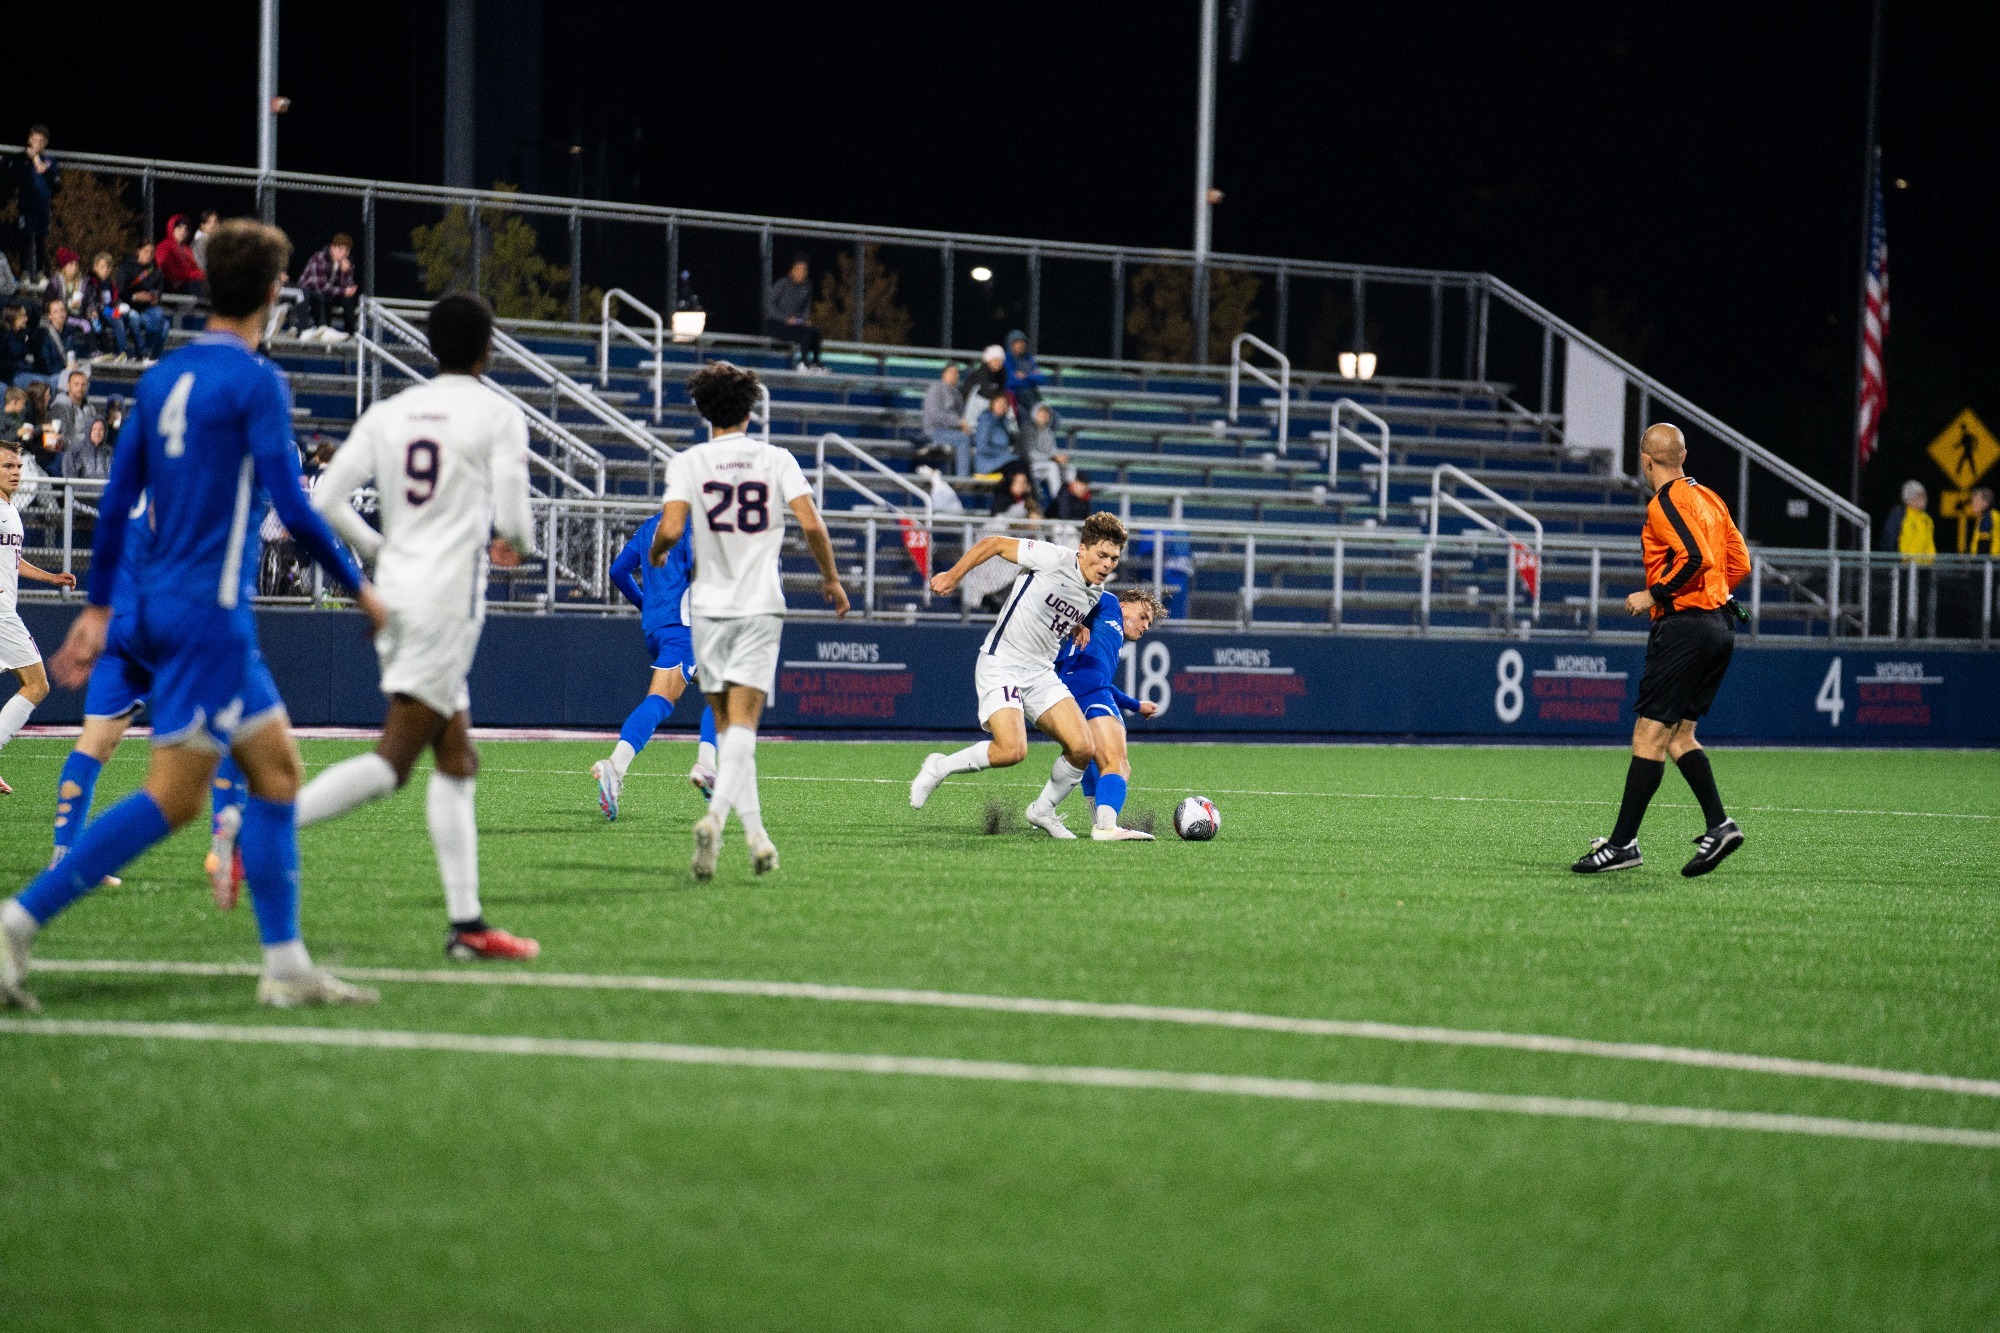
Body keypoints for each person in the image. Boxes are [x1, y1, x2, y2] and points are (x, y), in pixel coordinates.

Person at [0, 218, 389, 1012]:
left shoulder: (159, 377)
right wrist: (362, 589)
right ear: (274, 296)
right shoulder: (254, 382)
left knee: (276, 770)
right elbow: (295, 506)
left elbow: (113, 507)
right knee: (176, 796)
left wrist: (99, 606)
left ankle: (284, 962)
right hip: (207, 618)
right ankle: (16, 922)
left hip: (158, 607)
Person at [297, 292, 540, 962]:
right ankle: (258, 829)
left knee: (457, 759)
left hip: (398, 591)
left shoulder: (391, 410)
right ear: (487, 348)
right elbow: (516, 523)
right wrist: (515, 543)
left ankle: (467, 926)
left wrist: (378, 551)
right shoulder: (496, 412)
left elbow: (323, 500)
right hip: (445, 602)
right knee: (395, 762)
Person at [649, 361, 849, 881]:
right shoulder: (775, 458)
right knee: (743, 727)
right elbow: (811, 523)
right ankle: (715, 820)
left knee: (728, 726)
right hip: (760, 604)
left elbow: (670, 529)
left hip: (708, 608)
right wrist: (830, 579)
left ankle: (758, 839)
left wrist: (656, 553)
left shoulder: (689, 461)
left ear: (702, 410)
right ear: (751, 409)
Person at [42, 484, 250, 897]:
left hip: (116, 624)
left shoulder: (131, 481)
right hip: (162, 621)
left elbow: (110, 540)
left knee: (94, 744)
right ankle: (222, 850)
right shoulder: (177, 473)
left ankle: (64, 854)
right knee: (227, 730)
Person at [1572, 423, 1749, 878]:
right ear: (1683, 456)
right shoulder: (1710, 498)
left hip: (1685, 628)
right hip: (1719, 625)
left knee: (1647, 737)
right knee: (1678, 736)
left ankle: (1622, 845)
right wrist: (1712, 595)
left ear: (1645, 459)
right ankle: (1720, 825)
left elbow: (1694, 558)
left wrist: (1655, 595)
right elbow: (1738, 564)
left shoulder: (1664, 503)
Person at [908, 511, 1128, 839]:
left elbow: (1057, 603)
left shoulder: (1094, 590)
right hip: (1003, 664)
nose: (1108, 564)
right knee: (1012, 751)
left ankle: (1043, 811)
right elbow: (994, 543)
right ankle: (939, 767)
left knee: (1083, 747)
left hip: (1040, 673)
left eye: (1114, 558)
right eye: (1102, 555)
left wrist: (1075, 624)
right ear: (1082, 549)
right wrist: (954, 576)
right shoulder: (1052, 557)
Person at [593, 513, 720, 819]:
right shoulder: (694, 522)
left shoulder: (649, 526)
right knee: (705, 696)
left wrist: (645, 604)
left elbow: (618, 570)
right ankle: (703, 764)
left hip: (657, 627)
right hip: (685, 625)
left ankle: (617, 768)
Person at [0, 439, 81, 795]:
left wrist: (51, 577)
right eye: (7, 466)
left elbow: (13, 562)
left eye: (17, 467)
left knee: (35, 685)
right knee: (37, 684)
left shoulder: (10, 510)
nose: (16, 473)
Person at [1055, 586, 1164, 841]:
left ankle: (1097, 821)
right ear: (1127, 604)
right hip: (1086, 687)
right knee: (1118, 763)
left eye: (1149, 622)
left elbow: (1103, 682)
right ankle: (1105, 827)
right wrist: (1077, 621)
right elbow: (1071, 593)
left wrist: (1136, 705)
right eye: (1144, 616)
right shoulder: (1111, 603)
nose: (1146, 625)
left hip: (1070, 686)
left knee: (1090, 758)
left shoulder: (1110, 640)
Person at [11, 127, 58, 280]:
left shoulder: (49, 160)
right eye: (35, 140)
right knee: (25, 236)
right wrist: (29, 158)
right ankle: (24, 271)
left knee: (40, 238)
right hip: (26, 206)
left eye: (41, 141)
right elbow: (12, 172)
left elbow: (55, 181)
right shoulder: (22, 158)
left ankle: (39, 272)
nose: (37, 144)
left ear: (45, 143)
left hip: (43, 207)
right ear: (29, 139)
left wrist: (45, 170)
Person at [114, 239, 169, 363]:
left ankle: (151, 356)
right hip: (128, 307)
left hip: (147, 308)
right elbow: (120, 291)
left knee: (163, 321)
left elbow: (158, 294)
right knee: (136, 319)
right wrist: (135, 296)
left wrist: (152, 298)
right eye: (146, 251)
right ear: (138, 251)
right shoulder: (126, 268)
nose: (148, 254)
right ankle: (144, 353)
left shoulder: (156, 271)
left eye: (151, 252)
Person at [765, 253, 823, 370]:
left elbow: (805, 308)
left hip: (795, 325)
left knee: (815, 332)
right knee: (804, 334)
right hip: (777, 324)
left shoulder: (807, 286)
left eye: (804, 270)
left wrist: (804, 320)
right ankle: (803, 363)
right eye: (799, 269)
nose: (802, 273)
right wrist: (784, 318)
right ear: (792, 270)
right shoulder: (782, 284)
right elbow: (769, 306)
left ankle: (816, 363)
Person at [297, 233, 359, 339]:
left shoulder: (347, 263)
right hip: (311, 291)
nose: (343, 253)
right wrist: (343, 291)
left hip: (330, 293)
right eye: (340, 249)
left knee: (348, 301)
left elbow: (346, 286)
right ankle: (322, 328)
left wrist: (345, 273)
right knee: (322, 296)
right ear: (332, 248)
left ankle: (351, 334)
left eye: (347, 250)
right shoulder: (320, 257)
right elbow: (320, 286)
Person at [921, 362, 972, 475]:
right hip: (935, 430)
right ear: (944, 374)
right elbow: (935, 414)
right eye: (952, 372)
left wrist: (962, 426)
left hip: (952, 430)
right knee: (963, 439)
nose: (955, 375)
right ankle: (963, 479)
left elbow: (960, 415)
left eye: (957, 373)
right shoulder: (936, 388)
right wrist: (958, 423)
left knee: (974, 437)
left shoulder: (957, 394)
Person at [1018, 401, 1071, 502]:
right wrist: (1052, 458)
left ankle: (1070, 502)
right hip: (1028, 466)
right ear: (1034, 413)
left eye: (1046, 413)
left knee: (1070, 470)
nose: (1044, 416)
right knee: (1052, 467)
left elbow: (1053, 451)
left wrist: (1059, 457)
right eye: (1041, 412)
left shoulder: (1049, 432)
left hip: (1043, 466)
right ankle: (1059, 502)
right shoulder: (1027, 429)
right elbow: (1029, 454)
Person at [1883, 480, 1935, 563]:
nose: (1923, 499)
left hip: (1924, 569)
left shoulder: (1927, 518)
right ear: (1908, 499)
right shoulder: (1898, 515)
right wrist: (1892, 563)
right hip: (1903, 568)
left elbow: (1929, 543)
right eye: (1918, 496)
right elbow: (1889, 540)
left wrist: (1931, 562)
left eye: (1923, 495)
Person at [49, 368, 96, 455]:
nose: (80, 388)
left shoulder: (90, 407)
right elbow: (59, 439)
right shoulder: (60, 407)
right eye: (76, 384)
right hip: (67, 454)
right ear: (68, 385)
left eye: (83, 385)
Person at [156, 215, 205, 296]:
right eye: (179, 228)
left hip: (186, 285)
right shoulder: (164, 247)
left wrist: (200, 274)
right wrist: (191, 275)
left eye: (186, 229)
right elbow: (166, 268)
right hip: (168, 286)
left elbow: (195, 267)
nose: (183, 232)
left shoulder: (187, 249)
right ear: (172, 229)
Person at [973, 391, 1016, 474]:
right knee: (1019, 467)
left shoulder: (1004, 423)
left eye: (1004, 403)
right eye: (998, 402)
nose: (1001, 405)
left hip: (1001, 461)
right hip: (987, 464)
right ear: (992, 404)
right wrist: (1003, 453)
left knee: (1022, 464)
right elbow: (981, 447)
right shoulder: (986, 420)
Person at [1003, 328, 1045, 408]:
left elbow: (1042, 378)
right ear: (1010, 344)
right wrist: (1032, 378)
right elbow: (1012, 381)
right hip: (1013, 396)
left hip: (1031, 394)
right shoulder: (1006, 359)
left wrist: (1026, 376)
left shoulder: (1029, 359)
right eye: (1017, 343)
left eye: (1023, 343)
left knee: (1048, 412)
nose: (1021, 345)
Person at [1961, 487, 1999, 556]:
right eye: (1972, 500)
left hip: (1988, 562)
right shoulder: (1995, 515)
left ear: (1985, 503)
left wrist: (1977, 562)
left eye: (1976, 500)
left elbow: (1984, 544)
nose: (1972, 503)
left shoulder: (1987, 518)